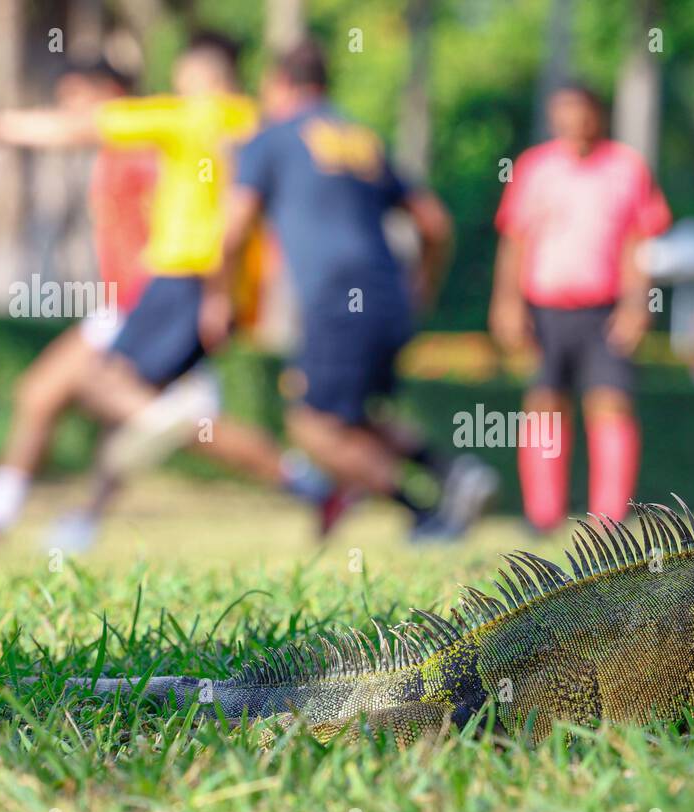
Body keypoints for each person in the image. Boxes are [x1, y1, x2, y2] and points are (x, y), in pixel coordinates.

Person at [0, 34, 333, 552]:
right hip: (205, 293)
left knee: (51, 392)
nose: (67, 107)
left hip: (157, 294)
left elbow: (76, 131)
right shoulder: (254, 124)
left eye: (74, 95)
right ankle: (310, 486)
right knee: (174, 423)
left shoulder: (163, 132)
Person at [205, 40, 497, 538]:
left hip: (336, 294)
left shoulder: (272, 137)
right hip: (385, 294)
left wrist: (217, 298)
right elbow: (434, 223)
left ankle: (427, 514)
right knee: (353, 416)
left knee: (311, 426)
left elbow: (233, 229)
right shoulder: (362, 139)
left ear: (279, 83)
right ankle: (455, 474)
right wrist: (420, 286)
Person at [489, 82, 671, 532]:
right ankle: (542, 515)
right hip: (545, 309)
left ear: (597, 115)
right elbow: (514, 240)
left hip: (604, 310)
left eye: (581, 111)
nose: (573, 121)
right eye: (563, 112)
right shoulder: (534, 168)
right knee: (545, 407)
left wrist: (636, 305)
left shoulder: (627, 168)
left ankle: (608, 520)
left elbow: (640, 241)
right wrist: (506, 303)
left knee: (610, 405)